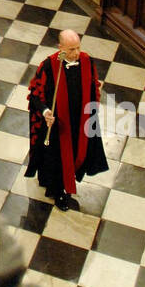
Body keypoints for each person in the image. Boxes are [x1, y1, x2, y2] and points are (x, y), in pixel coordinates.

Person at [25, 30, 109, 209]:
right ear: (60, 47)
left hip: (80, 121)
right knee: (56, 159)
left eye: (78, 48)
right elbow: (35, 95)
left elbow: (93, 87)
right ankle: (59, 193)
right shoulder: (49, 66)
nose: (76, 53)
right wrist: (46, 111)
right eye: (71, 49)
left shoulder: (87, 61)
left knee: (79, 153)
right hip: (58, 125)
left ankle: (68, 182)